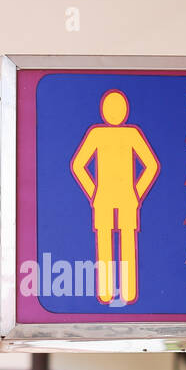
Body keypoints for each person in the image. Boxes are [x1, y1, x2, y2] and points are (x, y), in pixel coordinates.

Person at [69, 89, 161, 304]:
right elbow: (78, 165)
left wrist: (135, 191)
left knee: (125, 241)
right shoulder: (98, 134)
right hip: (115, 198)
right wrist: (95, 191)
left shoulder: (130, 134)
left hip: (121, 198)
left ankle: (125, 293)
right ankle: (107, 292)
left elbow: (151, 165)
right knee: (108, 242)